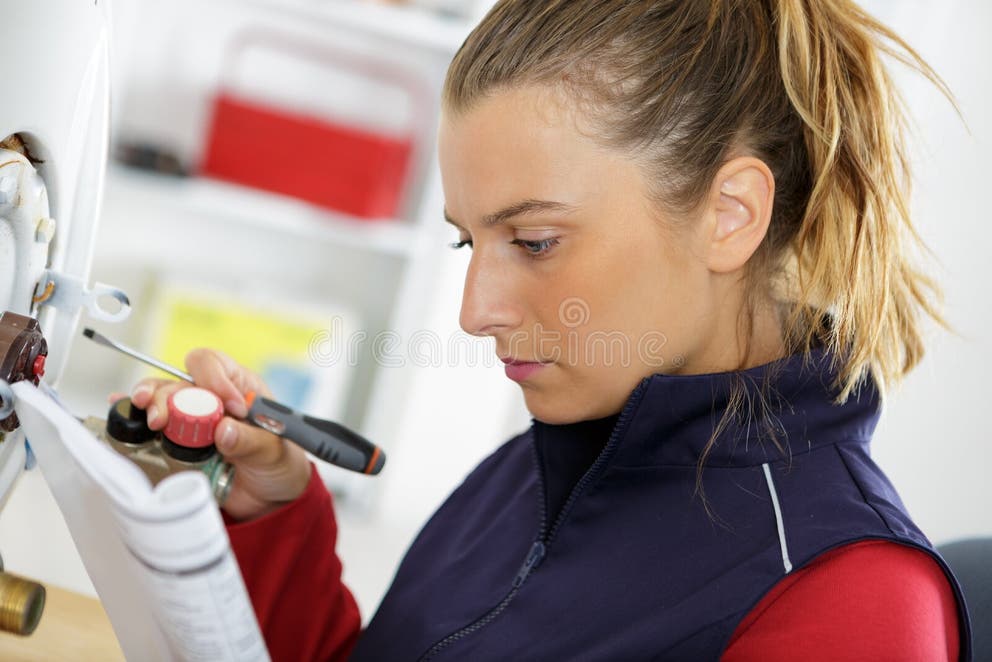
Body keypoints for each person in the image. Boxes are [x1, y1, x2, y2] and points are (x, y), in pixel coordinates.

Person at [128, 0, 972, 659]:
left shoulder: (849, 602)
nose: (475, 310)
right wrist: (276, 516)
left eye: (534, 241)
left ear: (730, 214)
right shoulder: (557, 454)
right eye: (469, 239)